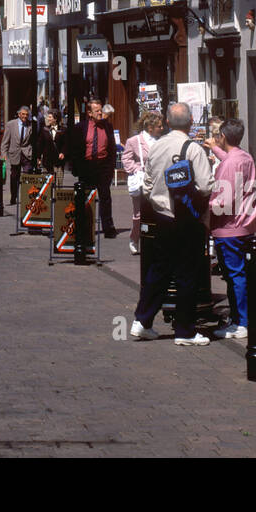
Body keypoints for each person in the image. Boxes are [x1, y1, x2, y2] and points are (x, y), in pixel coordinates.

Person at [130, 102, 214, 345]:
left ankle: (142, 321)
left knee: (160, 269)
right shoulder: (194, 149)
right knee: (187, 273)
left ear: (167, 122)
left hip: (161, 217)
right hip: (186, 219)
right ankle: (185, 331)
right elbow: (207, 186)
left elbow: (146, 183)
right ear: (190, 123)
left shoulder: (156, 147)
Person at [210, 118, 256, 339]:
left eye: (218, 136)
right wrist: (215, 150)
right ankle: (242, 317)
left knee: (234, 275)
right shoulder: (244, 157)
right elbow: (231, 162)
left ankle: (240, 322)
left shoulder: (230, 163)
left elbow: (224, 200)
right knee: (239, 274)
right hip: (245, 224)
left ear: (224, 137)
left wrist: (203, 205)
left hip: (230, 226)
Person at [63, 99, 119, 241]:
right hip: (87, 167)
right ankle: (85, 227)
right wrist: (77, 169)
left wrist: (111, 167)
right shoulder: (80, 127)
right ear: (89, 113)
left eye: (101, 110)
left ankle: (108, 228)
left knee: (105, 197)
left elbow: (112, 148)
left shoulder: (107, 126)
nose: (100, 113)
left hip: (103, 167)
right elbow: (75, 149)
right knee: (86, 198)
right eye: (97, 111)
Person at [122, 110, 163, 256]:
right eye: (159, 126)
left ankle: (153, 240)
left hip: (158, 181)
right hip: (141, 180)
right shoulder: (134, 141)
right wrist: (135, 169)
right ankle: (135, 238)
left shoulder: (161, 141)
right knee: (139, 214)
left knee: (158, 211)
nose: (162, 128)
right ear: (150, 127)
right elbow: (126, 159)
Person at [1, 105, 35, 207]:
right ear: (19, 114)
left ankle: (26, 197)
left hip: (26, 153)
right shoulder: (11, 124)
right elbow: (5, 141)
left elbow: (34, 141)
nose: (25, 116)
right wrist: (4, 154)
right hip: (14, 153)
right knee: (14, 176)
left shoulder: (31, 125)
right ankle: (13, 196)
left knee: (27, 175)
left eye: (26, 115)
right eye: (23, 114)